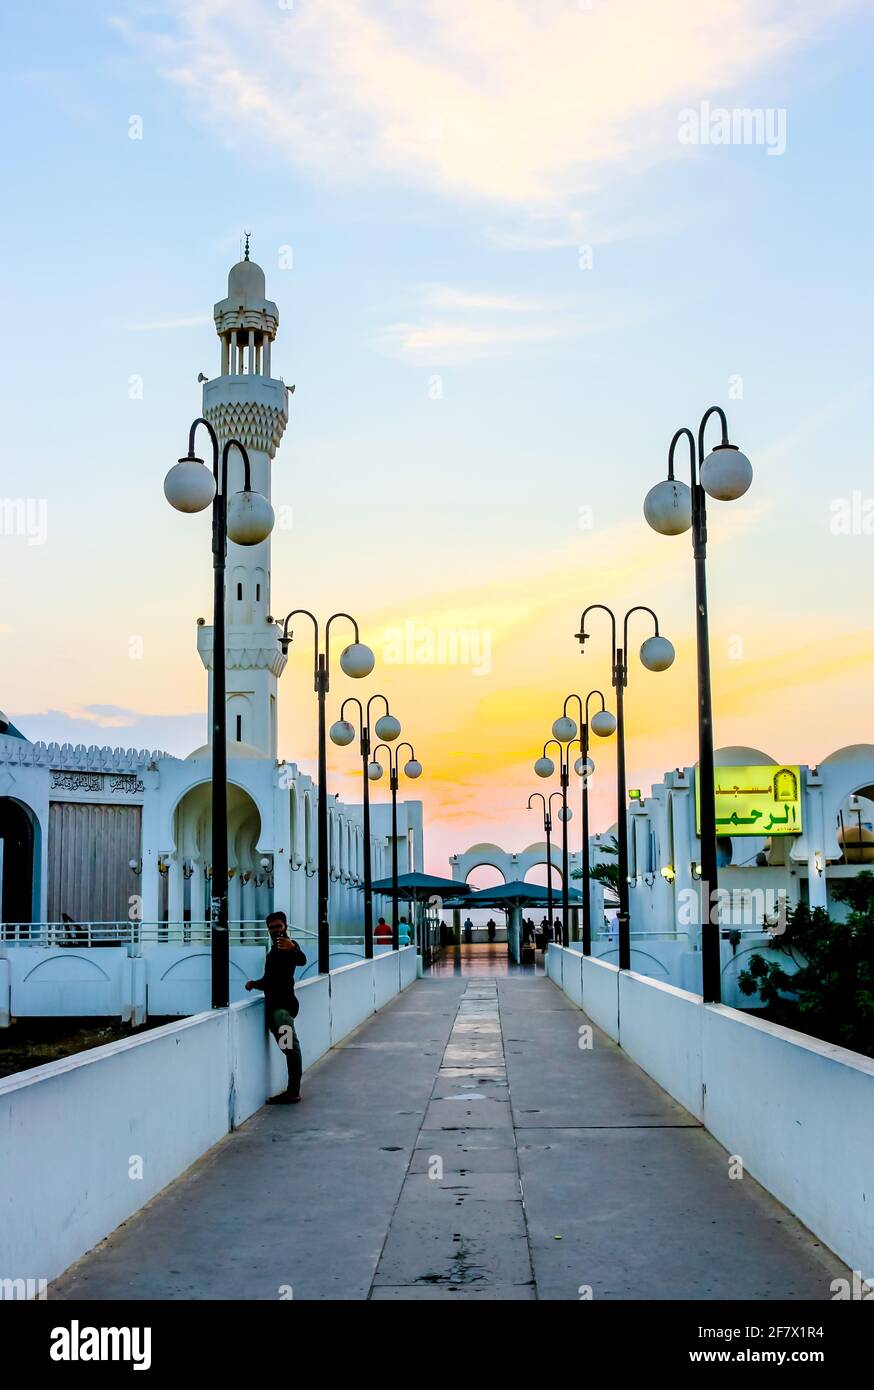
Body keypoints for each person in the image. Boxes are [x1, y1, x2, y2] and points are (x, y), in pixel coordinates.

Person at [245, 911, 306, 1105]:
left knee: (290, 1049)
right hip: (277, 1007)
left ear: (285, 926)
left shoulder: (289, 946)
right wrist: (255, 984)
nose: (274, 931)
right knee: (289, 1049)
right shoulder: (273, 952)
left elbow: (301, 959)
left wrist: (293, 948)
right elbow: (272, 980)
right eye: (271, 928)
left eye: (278, 927)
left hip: (282, 1011)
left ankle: (293, 1092)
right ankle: (292, 1090)